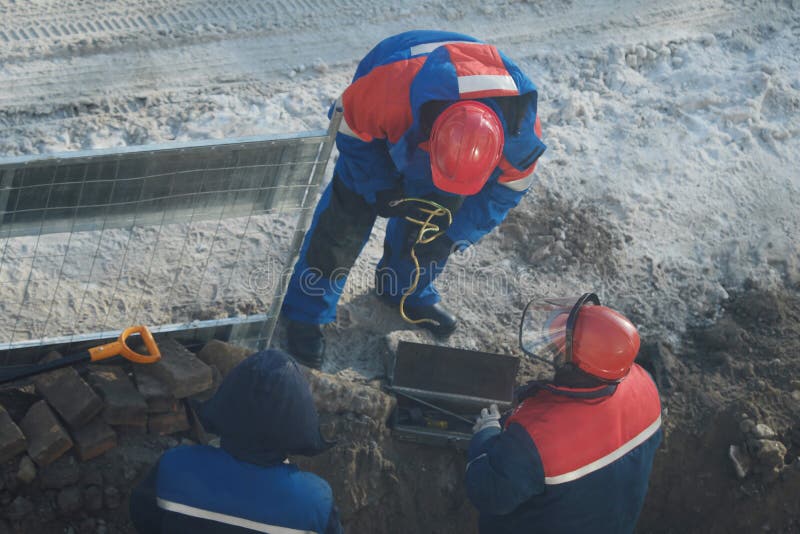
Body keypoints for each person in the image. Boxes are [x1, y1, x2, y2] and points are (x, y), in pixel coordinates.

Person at [281, 30, 546, 369]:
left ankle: (404, 293)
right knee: (342, 225)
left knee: (437, 226)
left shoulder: (521, 138)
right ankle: (306, 311)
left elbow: (502, 195)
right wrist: (378, 187)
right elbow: (348, 125)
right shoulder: (388, 92)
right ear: (431, 140)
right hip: (399, 73)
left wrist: (454, 236)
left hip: (446, 117)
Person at [466, 294, 662, 533]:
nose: (555, 352)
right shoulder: (646, 386)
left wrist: (485, 436)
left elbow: (491, 494)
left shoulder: (537, 437)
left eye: (560, 349)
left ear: (576, 368)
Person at [129, 349, 343, 534]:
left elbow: (143, 519)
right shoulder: (315, 501)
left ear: (225, 405)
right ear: (300, 421)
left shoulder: (174, 466)